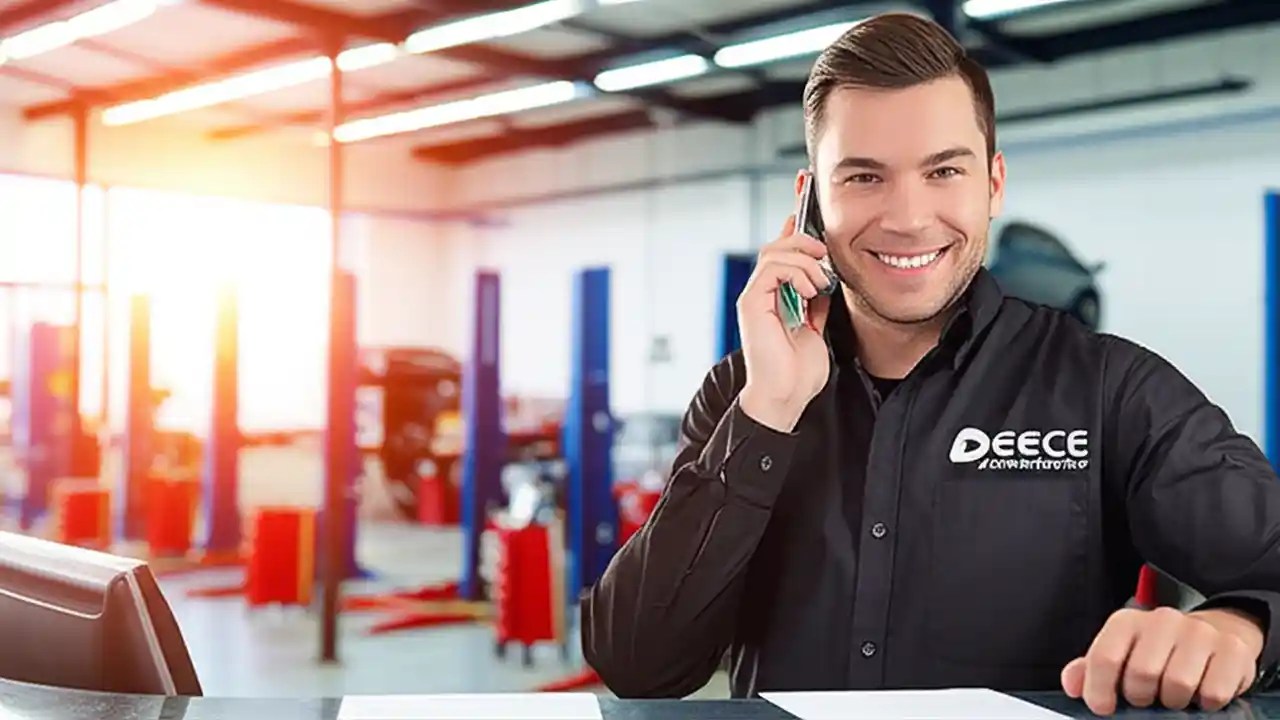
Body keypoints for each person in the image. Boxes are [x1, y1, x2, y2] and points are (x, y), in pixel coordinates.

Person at [580, 11, 1280, 717]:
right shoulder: (745, 394)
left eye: (943, 170)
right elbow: (637, 664)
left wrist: (1235, 628)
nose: (908, 217)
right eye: (862, 177)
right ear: (811, 200)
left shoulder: (1111, 392)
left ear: (994, 184)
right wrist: (770, 412)